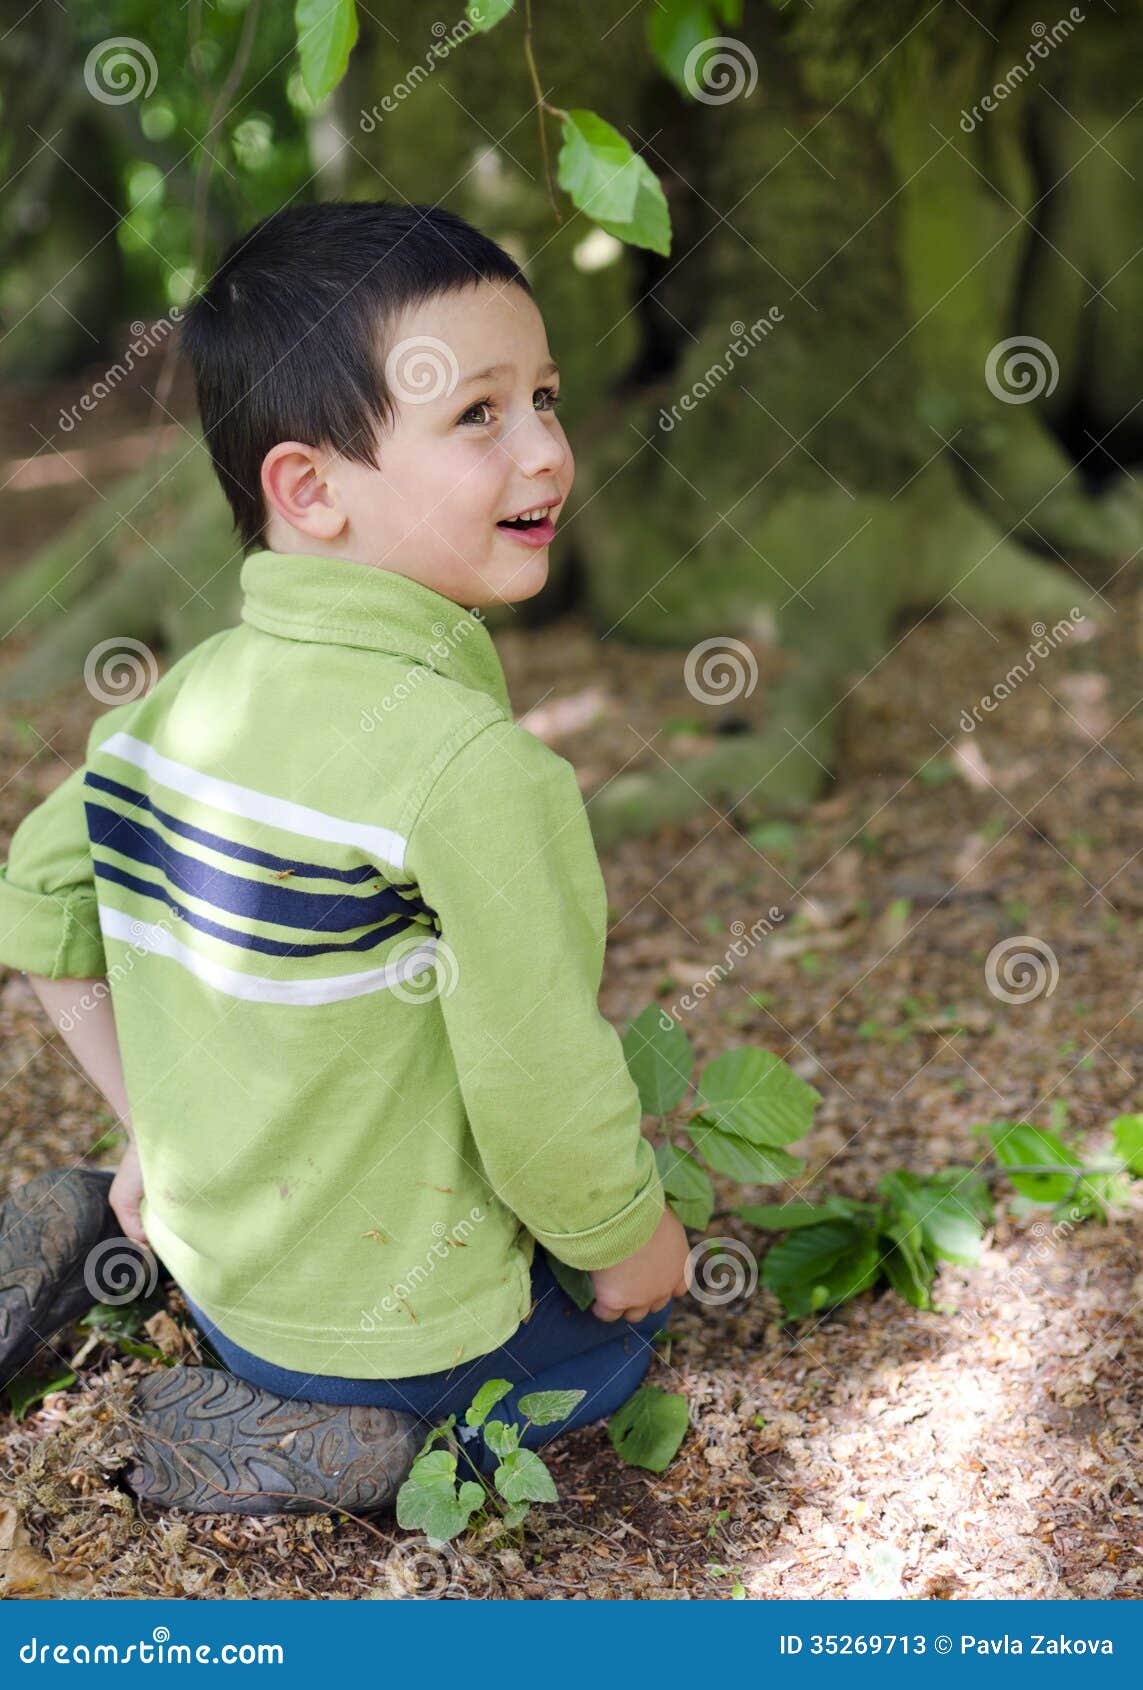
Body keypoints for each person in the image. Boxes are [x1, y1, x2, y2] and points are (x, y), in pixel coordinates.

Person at [0, 201, 692, 1517]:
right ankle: (357, 1443)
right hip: (404, 1329)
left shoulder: (168, 710)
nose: (548, 448)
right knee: (621, 1343)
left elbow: (34, 905)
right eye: (478, 415)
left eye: (543, 397)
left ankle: (126, 1227)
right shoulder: (472, 769)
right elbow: (542, 1094)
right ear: (309, 488)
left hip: (223, 1266)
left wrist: (151, 1125)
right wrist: (629, 1237)